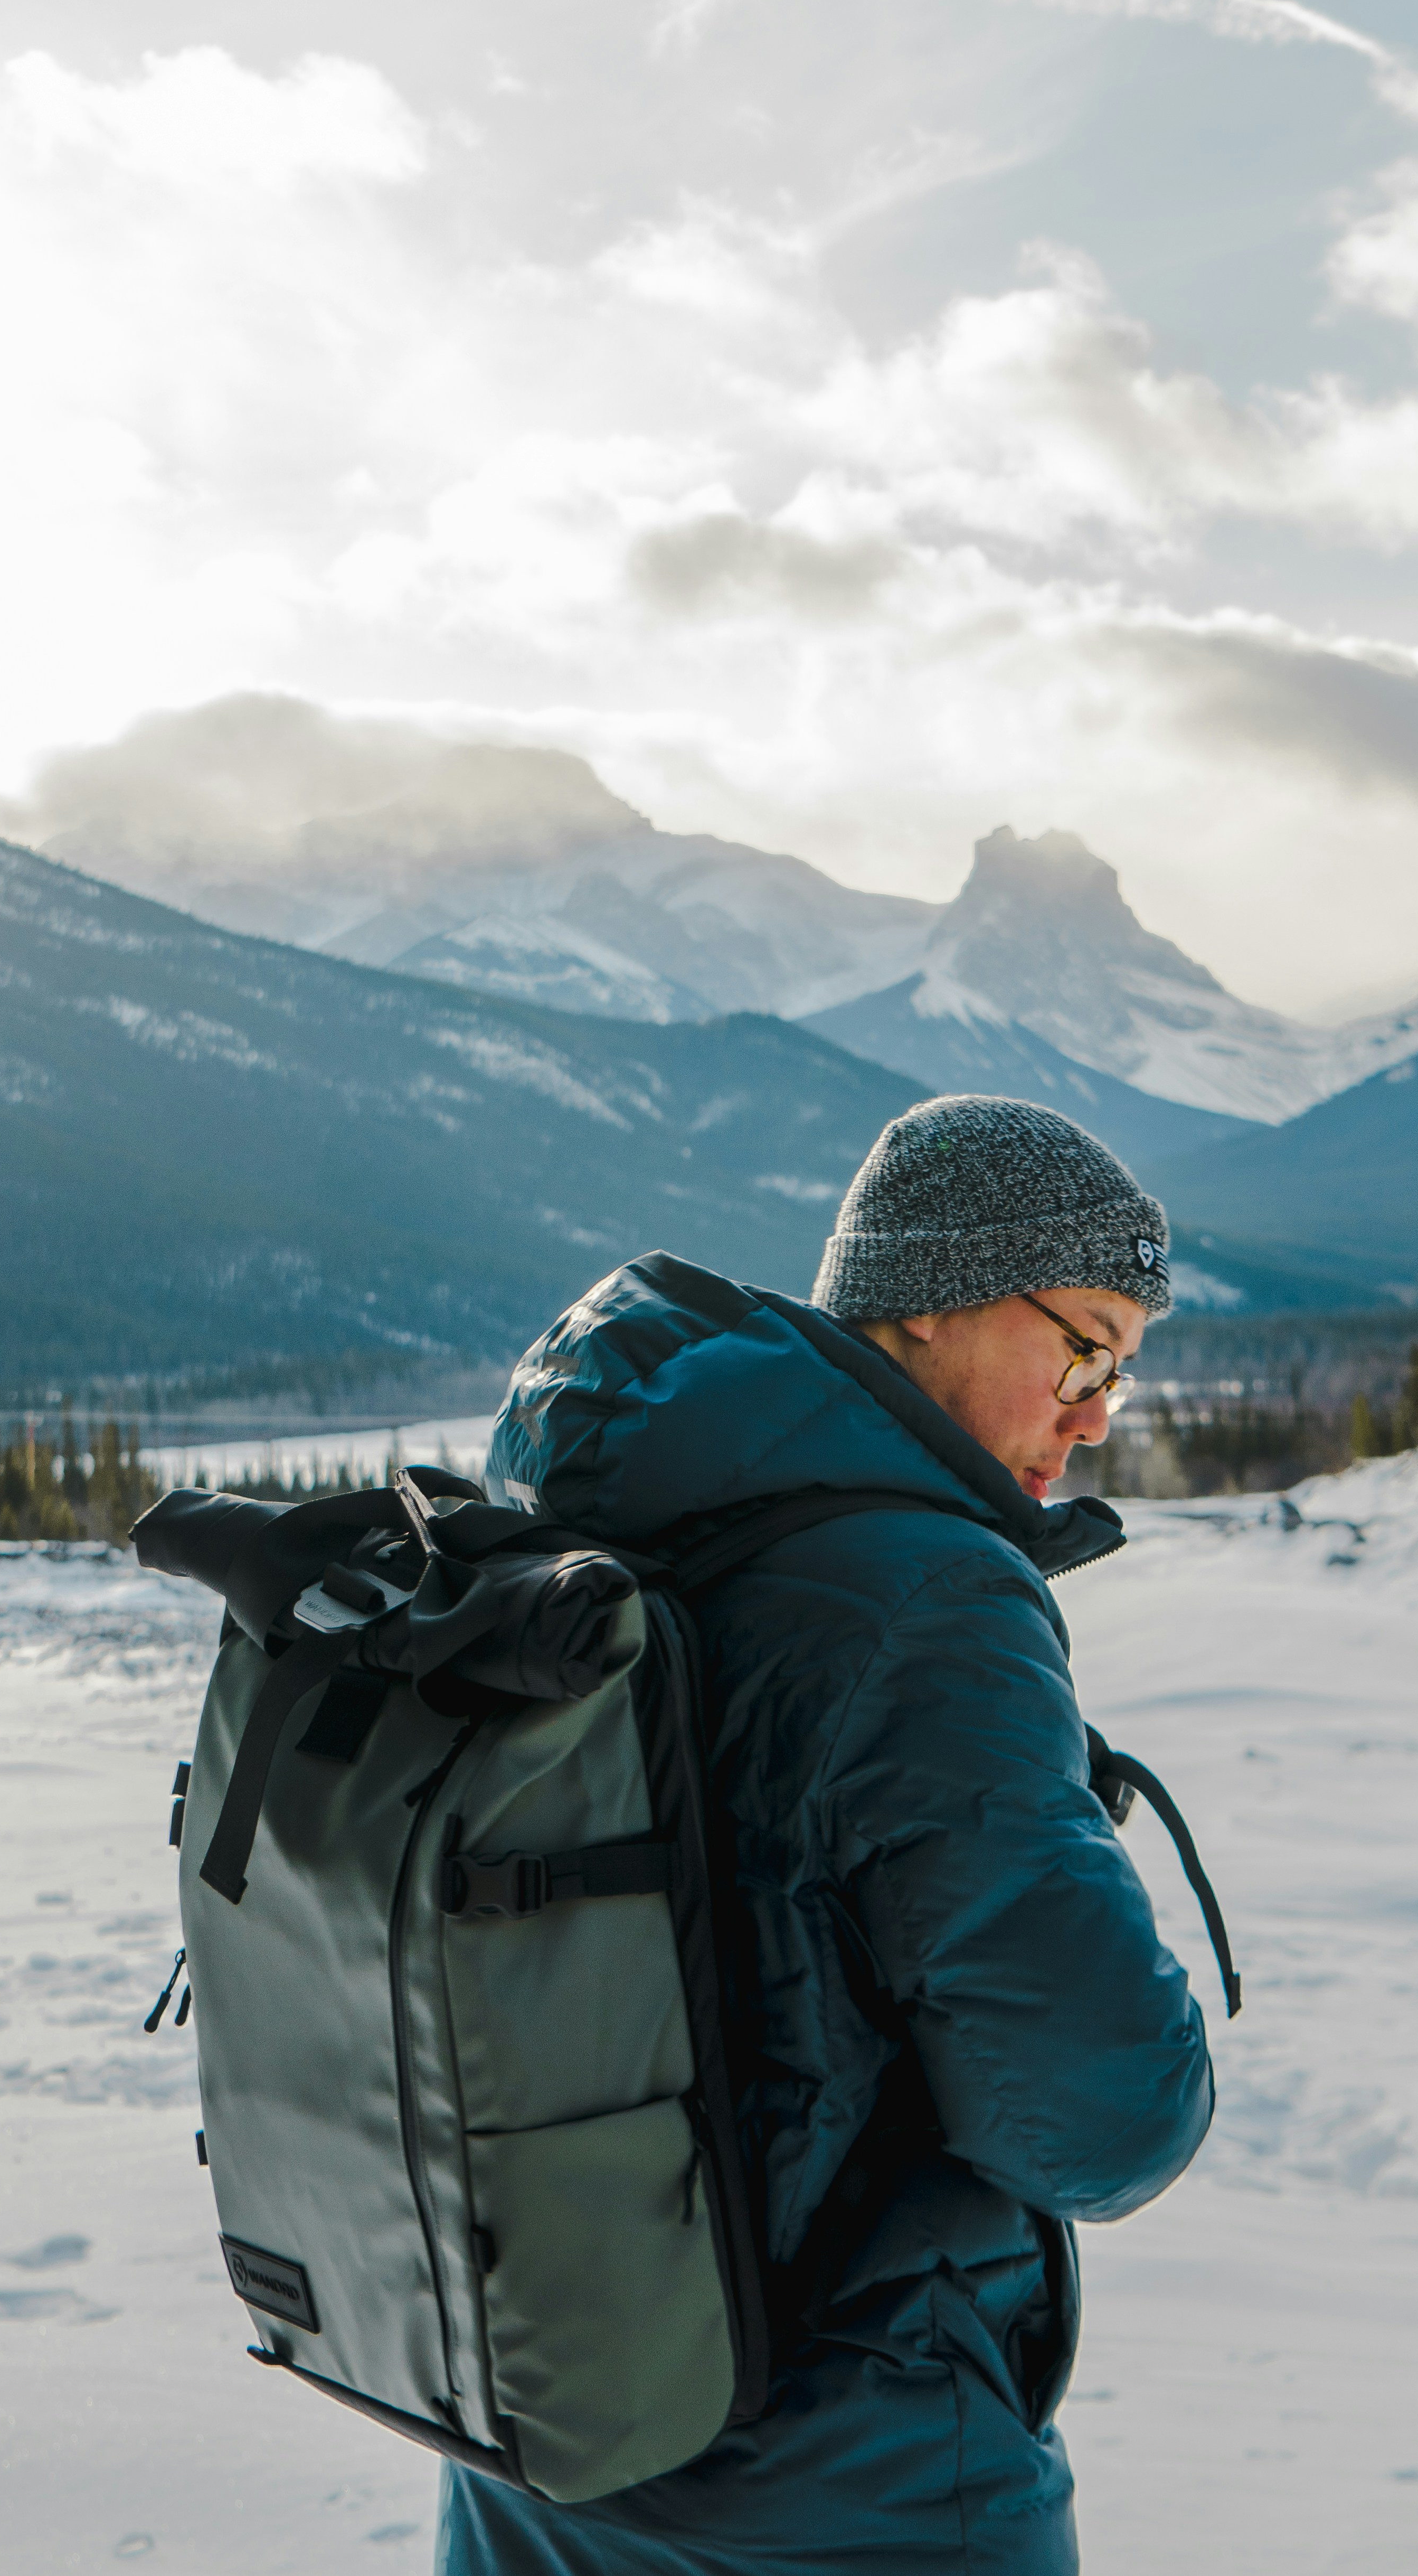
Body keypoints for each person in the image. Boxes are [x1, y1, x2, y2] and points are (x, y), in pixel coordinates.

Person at [438, 1094, 1215, 2576]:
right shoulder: (928, 1597)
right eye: (1087, 1343)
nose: (1103, 1407)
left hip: (544, 2407)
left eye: (1125, 1367)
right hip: (850, 2466)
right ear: (932, 1298)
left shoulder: (602, 1521)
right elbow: (1101, 2107)